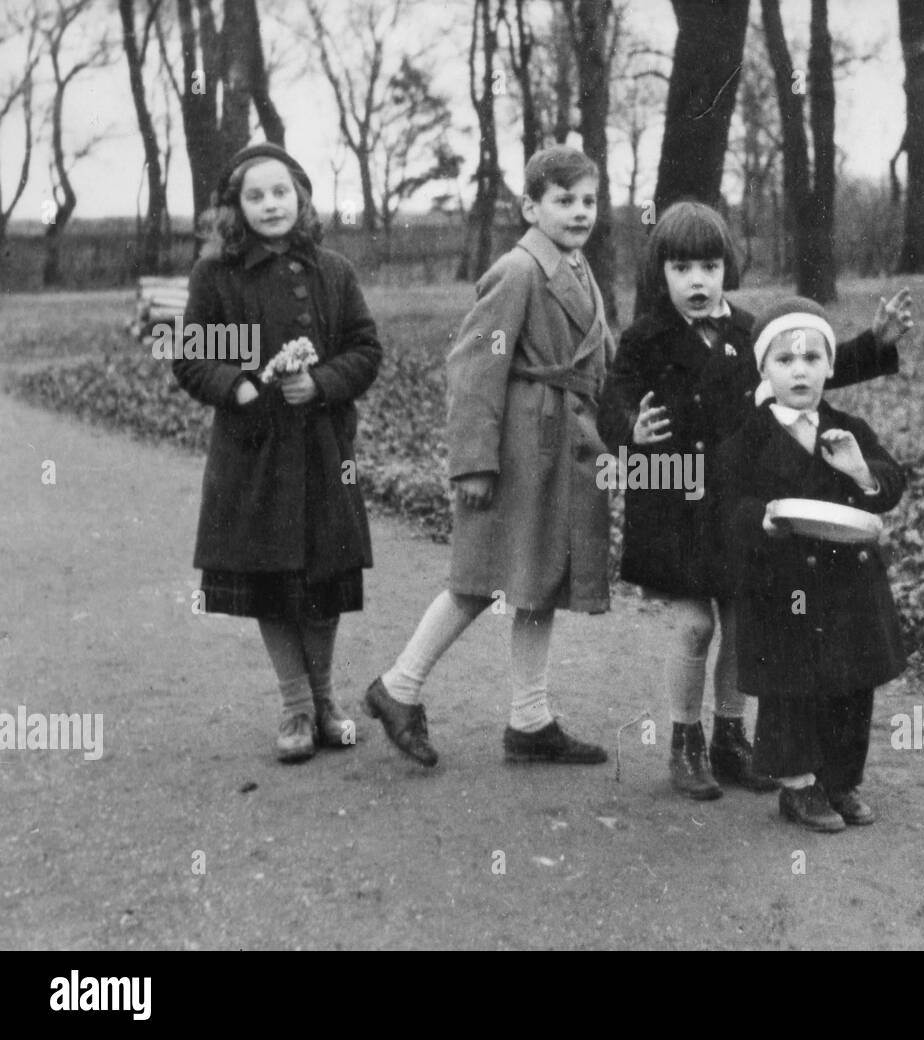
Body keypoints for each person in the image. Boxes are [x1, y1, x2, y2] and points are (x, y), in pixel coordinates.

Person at [597, 201, 913, 800]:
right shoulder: (645, 337)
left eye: (710, 266)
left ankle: (729, 735)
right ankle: (684, 741)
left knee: (743, 621)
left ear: (727, 269)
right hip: (671, 504)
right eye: (681, 267)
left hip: (739, 505)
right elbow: (614, 398)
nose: (697, 280)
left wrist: (875, 343)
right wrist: (627, 430)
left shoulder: (750, 333)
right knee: (693, 625)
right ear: (658, 273)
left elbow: (811, 364)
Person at [363, 145, 615, 768]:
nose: (579, 212)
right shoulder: (519, 270)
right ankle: (398, 686)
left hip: (564, 443)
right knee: (480, 577)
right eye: (564, 200)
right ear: (531, 206)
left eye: (588, 200)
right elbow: (473, 368)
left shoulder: (578, 268)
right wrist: (473, 463)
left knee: (539, 578)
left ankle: (529, 719)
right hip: (520, 448)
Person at [174, 142, 382, 764]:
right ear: (236, 207)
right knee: (270, 581)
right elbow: (191, 354)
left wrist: (321, 382)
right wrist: (234, 384)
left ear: (301, 198)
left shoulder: (333, 272)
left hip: (323, 449)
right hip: (253, 452)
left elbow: (365, 350)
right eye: (255, 195)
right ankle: (294, 706)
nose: (270, 205)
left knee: (324, 576)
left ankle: (325, 701)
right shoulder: (218, 276)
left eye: (281, 192)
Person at [712, 298, 908, 832]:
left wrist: (863, 472)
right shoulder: (747, 440)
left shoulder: (849, 429)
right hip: (782, 586)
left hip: (848, 586)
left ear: (829, 367)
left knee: (850, 684)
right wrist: (763, 519)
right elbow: (729, 508)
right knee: (792, 688)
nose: (799, 371)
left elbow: (890, 485)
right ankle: (798, 786)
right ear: (764, 370)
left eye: (811, 358)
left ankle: (841, 781)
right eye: (784, 360)